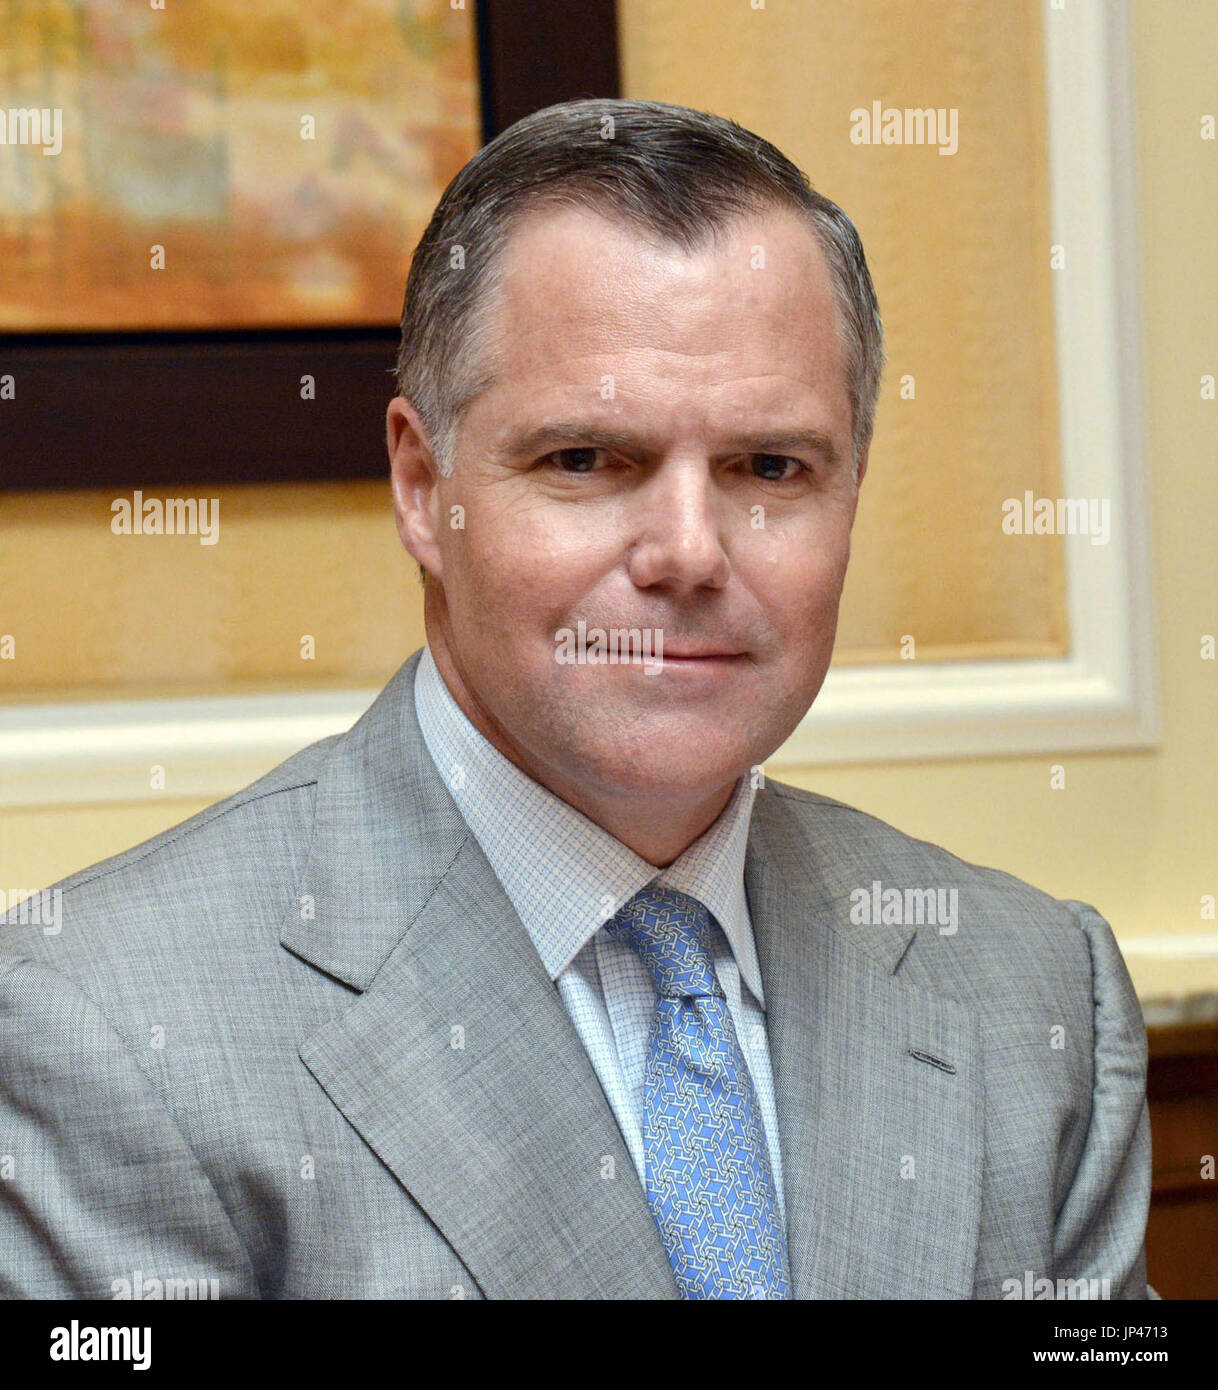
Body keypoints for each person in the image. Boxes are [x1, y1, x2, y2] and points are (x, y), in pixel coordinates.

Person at [0, 98, 1155, 1299]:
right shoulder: (107, 1029)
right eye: (588, 461)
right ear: (420, 485)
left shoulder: (1033, 992)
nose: (691, 551)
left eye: (771, 468)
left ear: (852, 492)